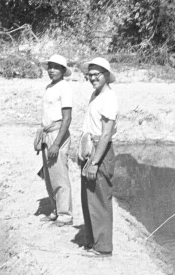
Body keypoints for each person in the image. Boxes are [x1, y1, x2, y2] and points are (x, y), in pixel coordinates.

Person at [79, 57, 119, 256]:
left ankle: (103, 247)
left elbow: (106, 134)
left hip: (100, 152)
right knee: (89, 198)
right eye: (90, 75)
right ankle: (93, 241)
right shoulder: (95, 95)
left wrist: (95, 162)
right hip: (90, 149)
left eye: (97, 75)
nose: (93, 78)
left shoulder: (109, 98)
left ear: (106, 76)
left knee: (100, 198)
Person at [32, 54, 73, 225]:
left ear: (63, 70)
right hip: (47, 133)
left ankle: (65, 214)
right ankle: (55, 209)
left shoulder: (65, 88)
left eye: (56, 67)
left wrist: (56, 143)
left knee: (59, 175)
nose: (52, 70)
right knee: (49, 175)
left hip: (57, 134)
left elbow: (67, 118)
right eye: (50, 67)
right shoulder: (49, 87)